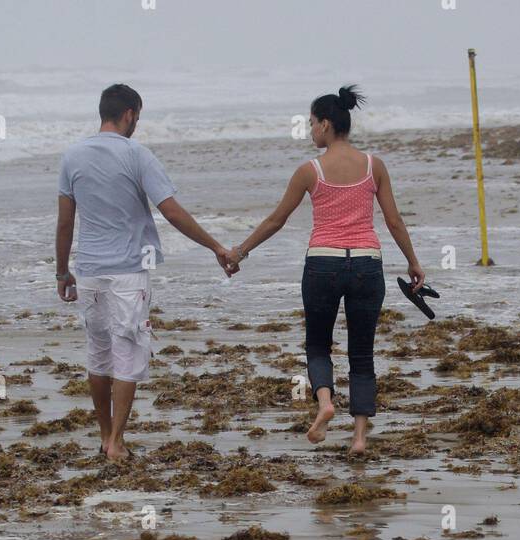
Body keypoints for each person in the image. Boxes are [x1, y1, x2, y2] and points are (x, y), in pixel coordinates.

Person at [227, 85, 425, 454]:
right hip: (367, 263)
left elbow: (276, 220)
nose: (309, 130)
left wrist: (240, 252)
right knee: (362, 353)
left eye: (312, 123)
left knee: (318, 343)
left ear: (327, 125)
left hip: (323, 264)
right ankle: (360, 437)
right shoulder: (374, 165)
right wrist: (413, 262)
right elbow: (394, 221)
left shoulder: (309, 171)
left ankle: (325, 403)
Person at [56, 83, 236, 460]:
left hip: (88, 270)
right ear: (130, 114)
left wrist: (62, 272)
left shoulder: (72, 156)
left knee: (98, 354)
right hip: (128, 272)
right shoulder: (137, 154)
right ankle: (117, 441)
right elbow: (171, 211)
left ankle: (105, 435)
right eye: (138, 116)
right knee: (129, 353)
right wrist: (216, 247)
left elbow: (64, 224)